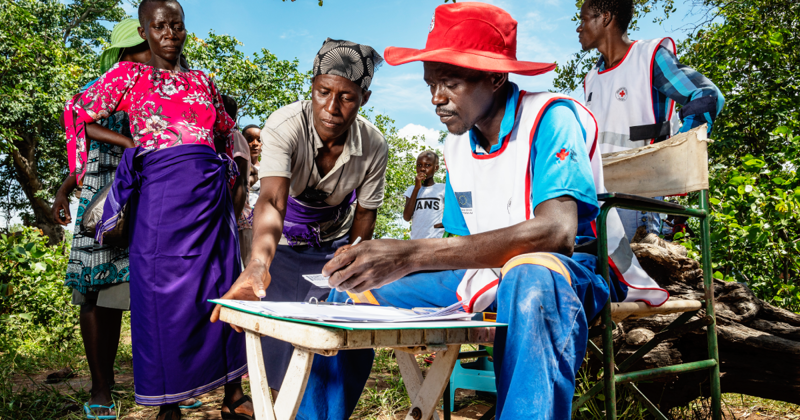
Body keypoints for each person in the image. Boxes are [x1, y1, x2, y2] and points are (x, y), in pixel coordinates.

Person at [215, 3, 665, 418]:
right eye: (431, 83)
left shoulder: (552, 117)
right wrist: (382, 260)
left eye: (451, 82)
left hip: (568, 271)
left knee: (531, 278)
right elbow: (459, 245)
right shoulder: (458, 145)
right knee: (350, 289)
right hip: (488, 274)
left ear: (495, 77)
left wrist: (410, 254)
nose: (436, 97)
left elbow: (556, 234)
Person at [67, 1, 252, 418]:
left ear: (185, 29)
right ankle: (168, 403)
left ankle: (233, 394)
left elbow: (225, 130)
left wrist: (226, 171)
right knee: (161, 296)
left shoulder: (202, 80)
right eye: (159, 26)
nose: (169, 33)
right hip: (161, 196)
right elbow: (79, 112)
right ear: (144, 31)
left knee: (221, 285)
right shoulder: (128, 75)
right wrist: (131, 147)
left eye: (177, 25)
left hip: (209, 198)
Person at [212, 38, 388, 398]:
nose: (332, 108)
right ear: (312, 87)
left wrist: (351, 261)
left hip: (332, 247)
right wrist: (258, 264)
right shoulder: (284, 125)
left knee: (329, 341)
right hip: (279, 244)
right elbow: (273, 200)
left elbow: (365, 213)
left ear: (365, 98)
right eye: (323, 92)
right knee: (275, 339)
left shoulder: (374, 144)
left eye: (347, 97)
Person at [53, 17, 193, 419]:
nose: (152, 55)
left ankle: (171, 387)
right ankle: (101, 387)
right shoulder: (110, 83)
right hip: (104, 195)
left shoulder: (172, 88)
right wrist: (65, 188)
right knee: (98, 292)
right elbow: (75, 120)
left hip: (155, 196)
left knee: (163, 294)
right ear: (124, 54)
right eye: (142, 50)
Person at [577, 0, 724, 238]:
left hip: (637, 197)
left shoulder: (648, 57)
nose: (579, 28)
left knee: (637, 261)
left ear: (605, 17)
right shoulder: (592, 77)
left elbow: (706, 96)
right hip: (599, 195)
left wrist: (679, 152)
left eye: (584, 19)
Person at [222, 95, 252, 265]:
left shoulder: (235, 137)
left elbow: (240, 182)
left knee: (246, 267)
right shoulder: (219, 139)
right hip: (226, 215)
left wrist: (232, 218)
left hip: (238, 216)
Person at [402, 150, 445, 239]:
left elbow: (453, 211)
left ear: (436, 168)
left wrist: (444, 224)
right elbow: (406, 217)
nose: (422, 169)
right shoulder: (411, 190)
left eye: (428, 165)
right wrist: (416, 188)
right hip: (416, 240)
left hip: (436, 239)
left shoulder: (443, 188)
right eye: (419, 165)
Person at [237, 124, 262, 267]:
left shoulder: (268, 169)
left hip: (262, 222)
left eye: (259, 140)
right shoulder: (236, 167)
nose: (255, 144)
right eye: (250, 139)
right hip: (243, 224)